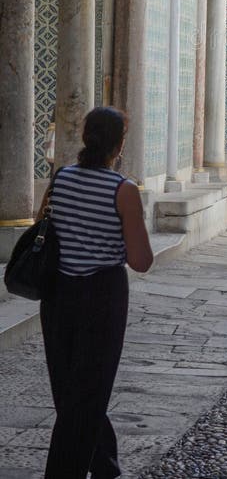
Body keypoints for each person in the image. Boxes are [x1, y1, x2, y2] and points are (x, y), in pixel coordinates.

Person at [39, 106, 154, 479]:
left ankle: (104, 465)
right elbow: (141, 260)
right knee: (90, 388)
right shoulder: (123, 190)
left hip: (57, 292)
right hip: (101, 294)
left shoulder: (61, 179)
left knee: (69, 385)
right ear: (119, 144)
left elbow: (45, 224)